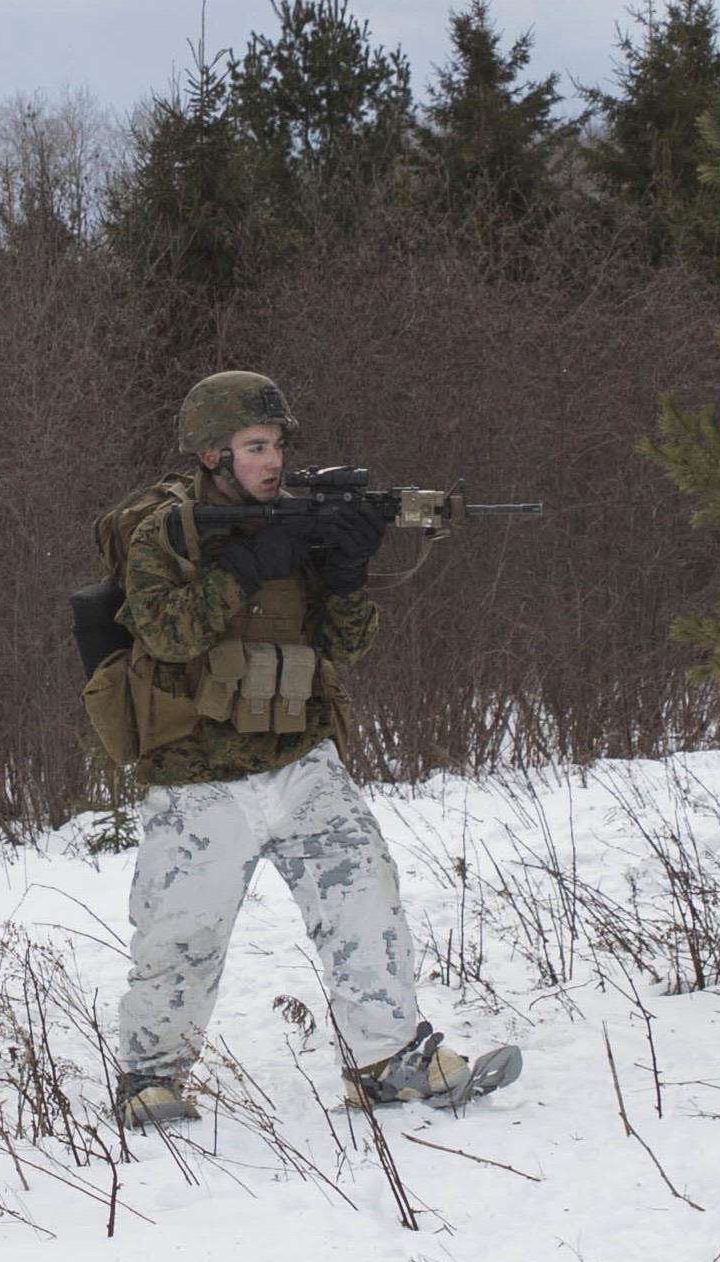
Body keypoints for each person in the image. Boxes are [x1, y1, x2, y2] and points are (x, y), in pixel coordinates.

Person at [87, 371, 516, 1130]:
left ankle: (387, 1060)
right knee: (182, 932)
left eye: (278, 444)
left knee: (364, 897)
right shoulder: (169, 533)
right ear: (213, 454)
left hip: (300, 759)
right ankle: (151, 1078)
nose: (274, 460)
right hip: (199, 774)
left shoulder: (305, 520)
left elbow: (342, 647)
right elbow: (167, 634)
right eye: (255, 446)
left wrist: (345, 575)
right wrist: (246, 566)